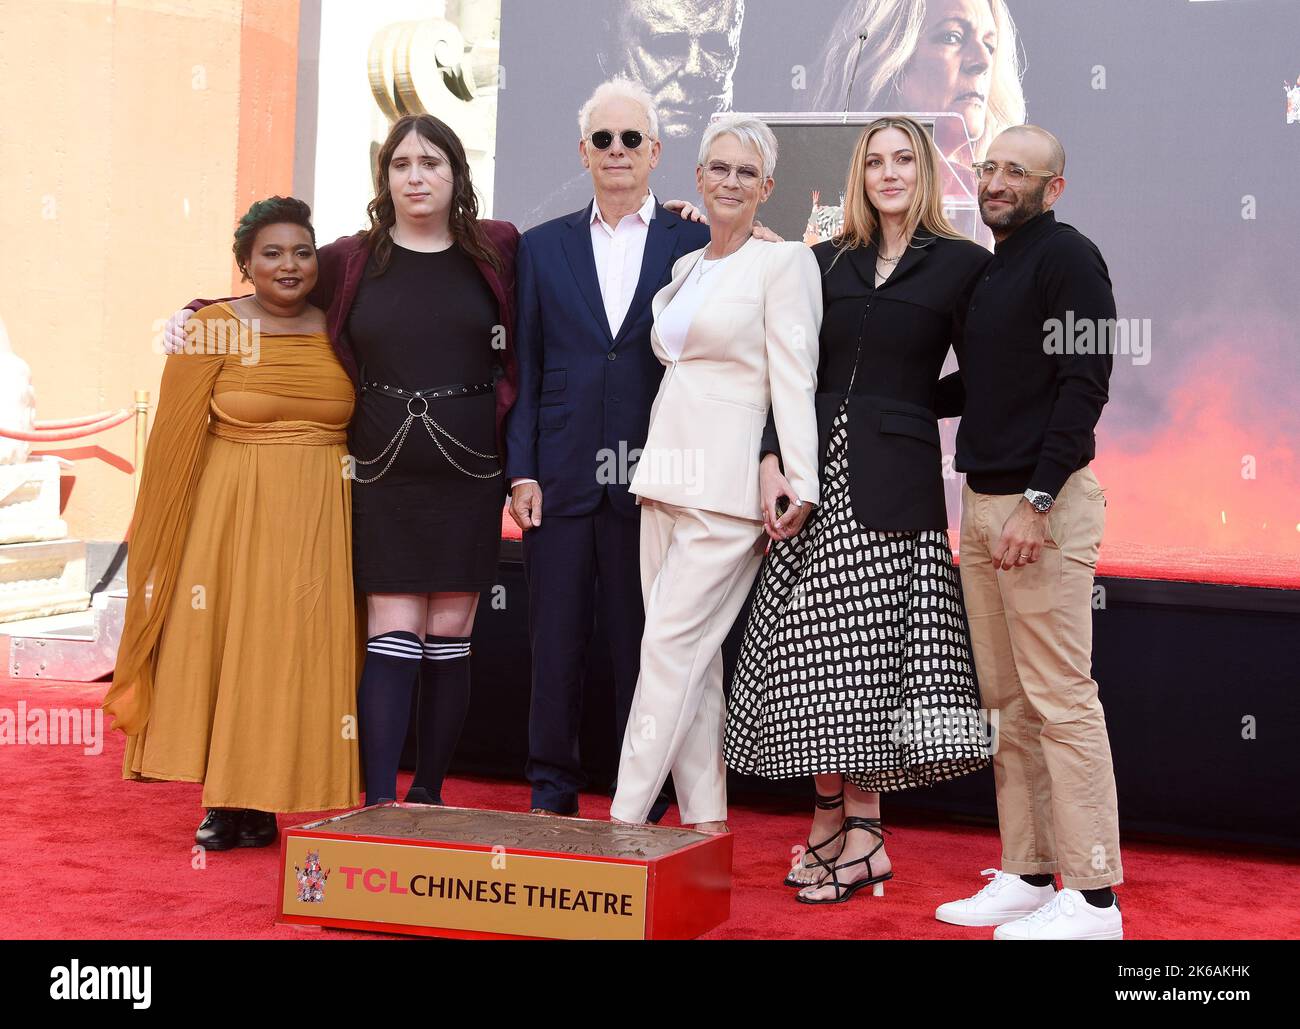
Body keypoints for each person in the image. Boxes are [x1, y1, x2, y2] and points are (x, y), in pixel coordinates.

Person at [167, 115, 520, 809]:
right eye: (401, 164)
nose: (415, 176)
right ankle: (379, 800)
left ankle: (428, 793)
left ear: (456, 173)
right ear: (384, 178)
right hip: (381, 471)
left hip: (471, 470)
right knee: (391, 632)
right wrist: (198, 308)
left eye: (431, 162)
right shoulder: (350, 258)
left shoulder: (500, 248)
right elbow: (275, 284)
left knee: (450, 635)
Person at [726, 116, 993, 903]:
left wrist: (906, 407)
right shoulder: (821, 262)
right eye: (873, 160)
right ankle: (829, 817)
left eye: (903, 158)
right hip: (812, 483)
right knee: (813, 658)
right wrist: (773, 456)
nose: (888, 172)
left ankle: (865, 831)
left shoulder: (963, 266)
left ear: (926, 169)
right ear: (859, 174)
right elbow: (790, 372)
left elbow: (984, 377)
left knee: (871, 661)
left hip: (894, 487)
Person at [106, 197, 359, 848]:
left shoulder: (341, 327)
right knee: (229, 645)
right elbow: (173, 440)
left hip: (318, 517)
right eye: (271, 253)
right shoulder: (213, 326)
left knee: (288, 652)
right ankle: (224, 799)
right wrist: (170, 535)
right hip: (230, 513)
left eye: (302, 251)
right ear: (245, 264)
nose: (289, 264)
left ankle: (270, 797)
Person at [934, 124, 1123, 940]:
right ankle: (1026, 871)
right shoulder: (993, 268)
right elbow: (982, 384)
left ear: (1054, 187)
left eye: (1019, 170)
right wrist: (880, 401)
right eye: (991, 166)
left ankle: (1093, 899)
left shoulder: (1069, 258)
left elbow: (1085, 384)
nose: (998, 179)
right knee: (1007, 703)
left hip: (1040, 508)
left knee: (1061, 701)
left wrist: (1037, 502)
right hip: (983, 503)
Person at [609, 114, 821, 832]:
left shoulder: (785, 262)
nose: (730, 182)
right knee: (690, 664)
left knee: (667, 652)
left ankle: (623, 823)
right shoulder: (685, 266)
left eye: (746, 172)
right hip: (663, 477)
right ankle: (704, 827)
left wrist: (801, 480)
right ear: (698, 177)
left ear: (767, 187)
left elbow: (795, 378)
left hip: (728, 492)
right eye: (718, 168)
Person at [505, 77, 711, 817]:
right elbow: (525, 368)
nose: (617, 151)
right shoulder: (539, 247)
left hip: (658, 479)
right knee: (553, 650)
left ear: (656, 151)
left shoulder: (696, 241)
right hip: (558, 477)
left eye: (632, 139)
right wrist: (521, 468)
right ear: (583, 153)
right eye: (603, 139)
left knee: (645, 652)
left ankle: (643, 801)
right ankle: (550, 795)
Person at [813, 0, 1024, 166]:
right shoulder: (831, 180)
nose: (983, 61)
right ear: (892, 57)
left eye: (989, 45)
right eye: (952, 37)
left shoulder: (991, 207)